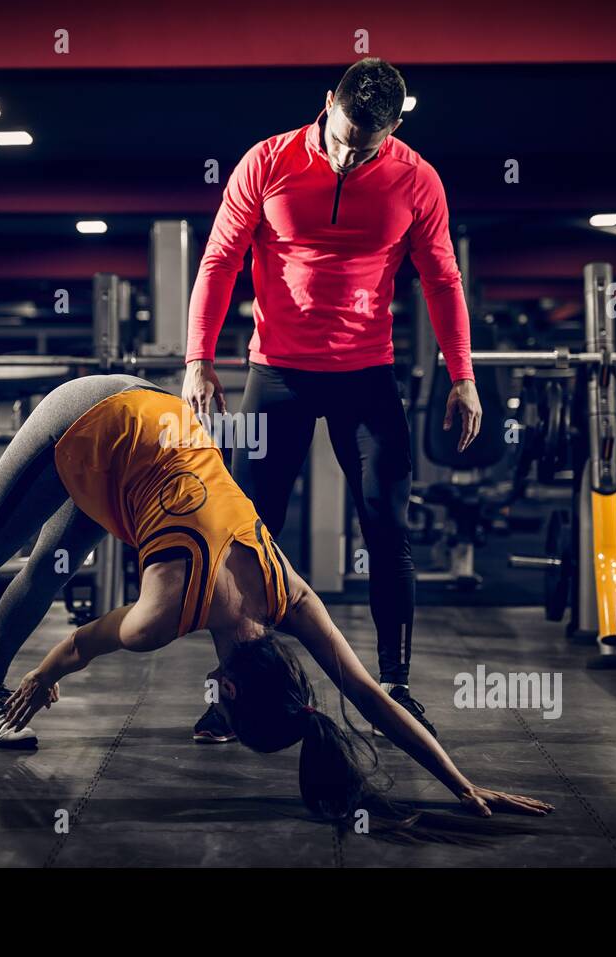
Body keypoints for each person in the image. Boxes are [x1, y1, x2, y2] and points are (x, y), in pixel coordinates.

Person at [0, 374, 551, 822]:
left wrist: (463, 784)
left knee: (49, 566)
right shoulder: (163, 615)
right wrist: (43, 678)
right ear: (226, 687)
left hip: (147, 430)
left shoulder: (286, 589)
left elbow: (364, 693)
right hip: (87, 416)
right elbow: (81, 643)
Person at [182, 57, 481, 744]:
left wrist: (462, 375)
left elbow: (442, 278)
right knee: (247, 538)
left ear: (395, 128)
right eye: (344, 135)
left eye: (366, 145)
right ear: (328, 102)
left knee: (388, 527)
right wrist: (198, 359)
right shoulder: (267, 161)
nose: (349, 154)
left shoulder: (417, 179)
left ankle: (397, 686)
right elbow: (219, 261)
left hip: (365, 374)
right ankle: (234, 690)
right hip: (277, 372)